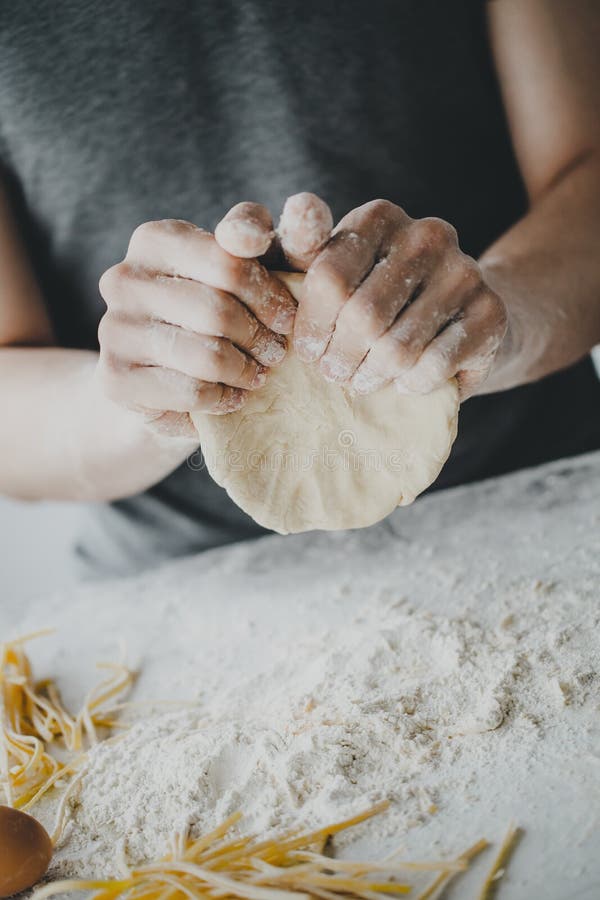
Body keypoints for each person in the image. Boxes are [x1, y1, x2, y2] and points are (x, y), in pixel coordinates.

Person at [1, 1, 599, 578]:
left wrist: (499, 323)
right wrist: (138, 395)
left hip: (531, 496)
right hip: (183, 577)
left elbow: (588, 170)